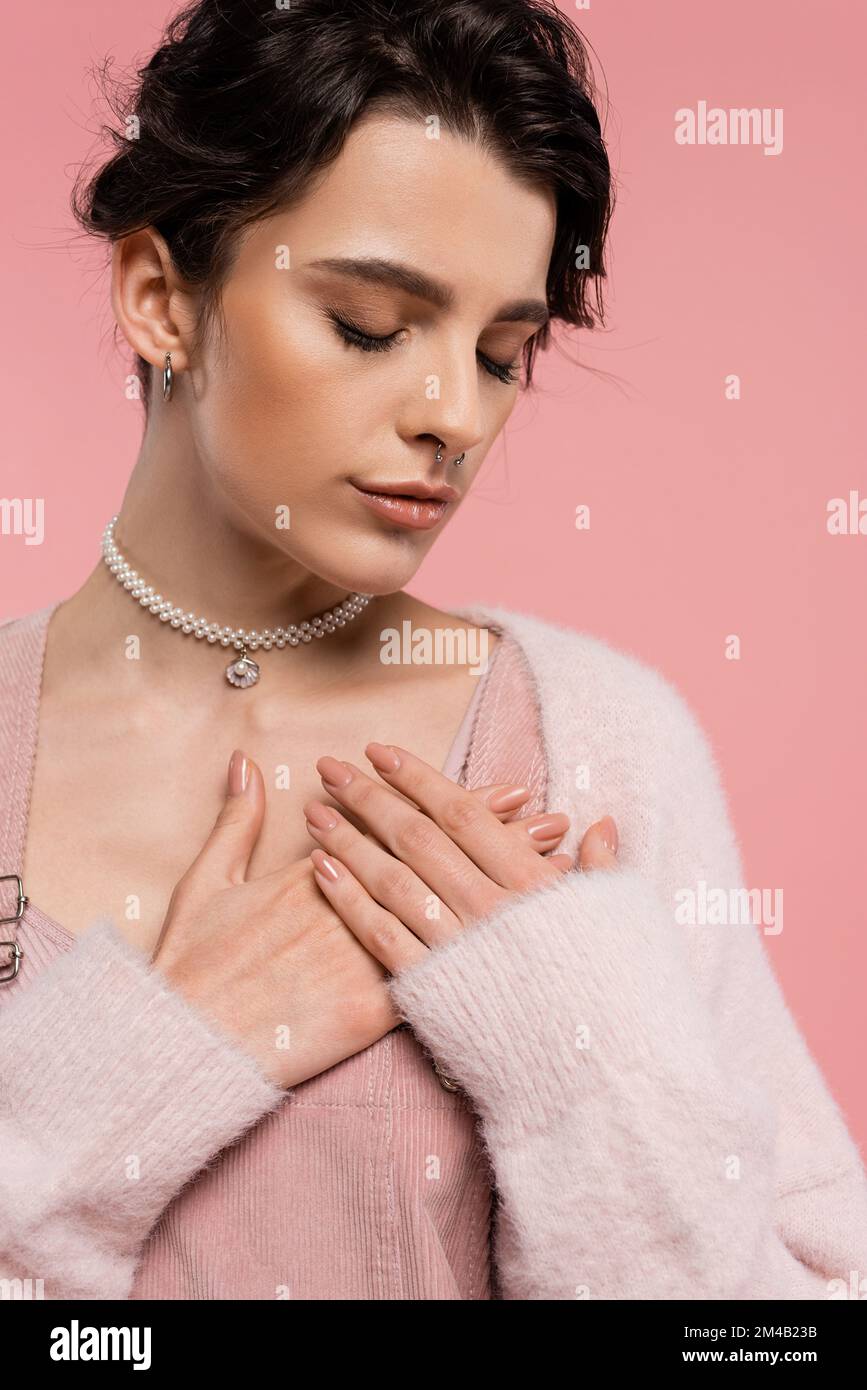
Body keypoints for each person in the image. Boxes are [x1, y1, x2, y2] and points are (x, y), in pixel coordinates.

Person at [1, 0, 865, 1302]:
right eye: (367, 324)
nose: (456, 414)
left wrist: (587, 1062)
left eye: (503, 351)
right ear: (158, 299)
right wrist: (129, 1070)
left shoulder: (594, 738)